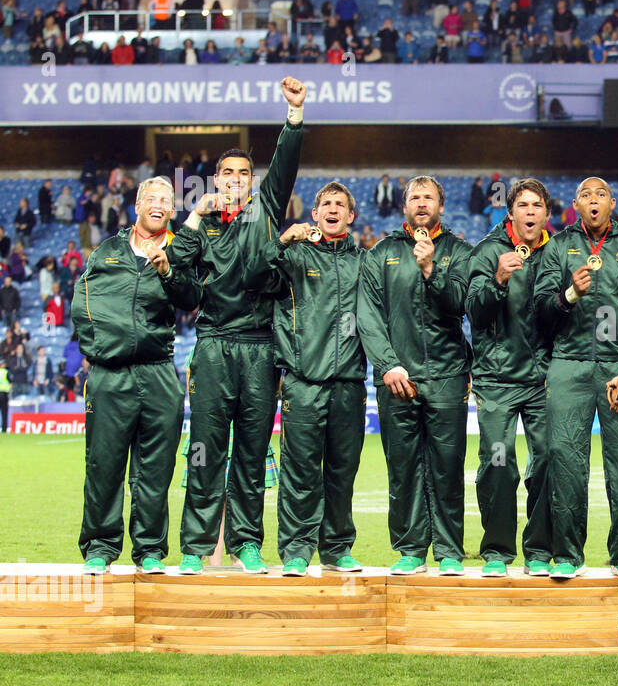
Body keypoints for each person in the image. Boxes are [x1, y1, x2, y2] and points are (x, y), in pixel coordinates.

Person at [168, 77, 306, 575]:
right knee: (204, 449)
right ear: (216, 180)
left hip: (259, 347)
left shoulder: (265, 210)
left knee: (251, 451)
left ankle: (246, 543)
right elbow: (174, 268)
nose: (234, 179)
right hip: (212, 345)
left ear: (252, 180)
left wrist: (294, 116)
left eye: (243, 172)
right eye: (226, 172)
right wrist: (189, 217)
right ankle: (195, 547)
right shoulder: (201, 226)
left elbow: (285, 164)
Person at [71, 177, 200, 574]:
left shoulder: (179, 251)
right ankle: (100, 547)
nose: (159, 204)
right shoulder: (106, 252)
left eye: (167, 200)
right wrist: (103, 353)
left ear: (173, 211)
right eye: (152, 198)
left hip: (159, 372)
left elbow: (193, 298)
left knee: (155, 469)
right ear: (137, 206)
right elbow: (82, 306)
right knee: (104, 464)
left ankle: (149, 550)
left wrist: (167, 271)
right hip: (110, 374)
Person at [532, 177, 618, 581]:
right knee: (565, 460)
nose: (594, 200)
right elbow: (540, 311)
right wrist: (569, 295)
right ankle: (567, 555)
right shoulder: (556, 247)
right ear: (575, 205)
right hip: (568, 362)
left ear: (613, 203)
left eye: (601, 194)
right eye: (586, 195)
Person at [358, 176, 473, 575]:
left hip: (447, 375)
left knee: (446, 466)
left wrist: (430, 269)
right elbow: (368, 316)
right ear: (404, 206)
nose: (421, 203)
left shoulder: (459, 251)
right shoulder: (382, 253)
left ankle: (449, 551)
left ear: (441, 205)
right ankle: (410, 548)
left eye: (429, 197)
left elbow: (463, 302)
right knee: (403, 466)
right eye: (414, 197)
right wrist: (388, 365)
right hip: (397, 379)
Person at [267, 182, 367, 575]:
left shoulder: (365, 261)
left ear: (351, 216)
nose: (332, 209)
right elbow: (256, 269)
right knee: (300, 471)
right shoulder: (295, 255)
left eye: (340, 204)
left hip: (349, 382)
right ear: (314, 214)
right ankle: (296, 549)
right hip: (303, 380)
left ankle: (337, 548)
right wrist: (281, 240)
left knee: (342, 470)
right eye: (326, 203)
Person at [464, 178, 554, 575]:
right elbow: (474, 312)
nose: (530, 211)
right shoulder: (487, 252)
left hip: (546, 380)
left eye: (537, 205)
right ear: (511, 212)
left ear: (547, 214)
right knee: (499, 463)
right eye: (523, 205)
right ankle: (498, 551)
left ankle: (539, 549)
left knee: (548, 460)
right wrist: (498, 281)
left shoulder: (558, 252)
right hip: (498, 380)